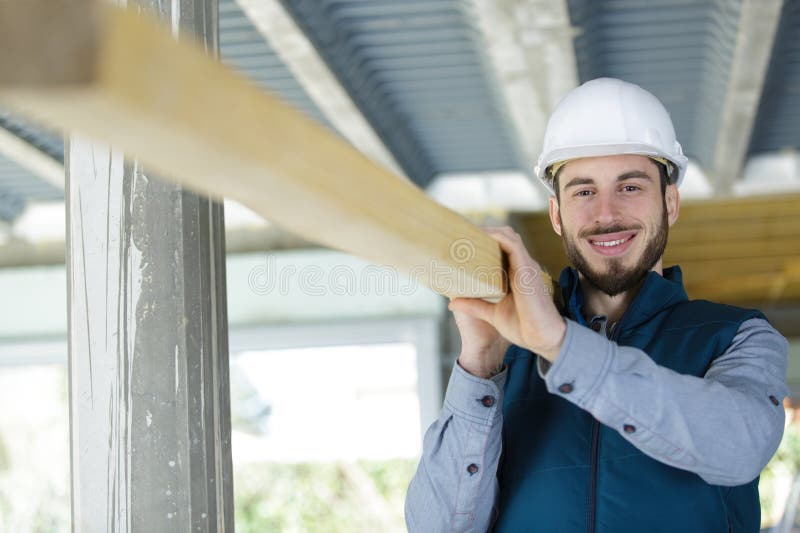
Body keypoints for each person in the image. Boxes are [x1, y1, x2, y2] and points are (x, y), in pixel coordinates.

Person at [404, 78, 789, 533]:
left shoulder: (737, 335)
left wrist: (561, 346)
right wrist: (479, 366)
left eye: (629, 187)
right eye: (583, 191)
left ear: (670, 202)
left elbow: (739, 446)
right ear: (556, 215)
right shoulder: (508, 359)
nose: (606, 213)